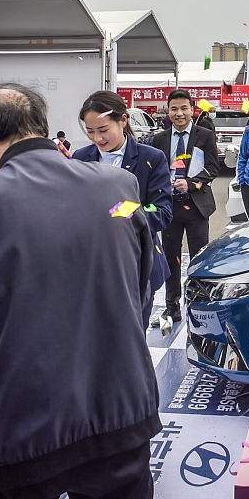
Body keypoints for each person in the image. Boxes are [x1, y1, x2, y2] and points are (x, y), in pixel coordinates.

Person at [0, 85, 159, 499]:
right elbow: (139, 290)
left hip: (13, 427)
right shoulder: (118, 187)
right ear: (41, 128)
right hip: (119, 412)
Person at [72, 90, 174, 326]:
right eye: (90, 131)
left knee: (133, 334)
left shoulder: (151, 158)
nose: (97, 138)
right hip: (92, 265)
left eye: (103, 129)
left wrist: (120, 212)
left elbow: (162, 212)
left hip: (137, 263)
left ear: (123, 120)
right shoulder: (80, 158)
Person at [150, 89, 219, 326]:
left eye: (184, 108)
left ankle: (198, 305)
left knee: (199, 257)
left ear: (192, 110)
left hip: (196, 205)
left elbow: (213, 168)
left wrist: (190, 183)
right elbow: (155, 169)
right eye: (174, 109)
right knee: (171, 257)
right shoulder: (160, 139)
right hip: (169, 207)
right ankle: (172, 306)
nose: (179, 113)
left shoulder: (205, 135)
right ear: (168, 112)